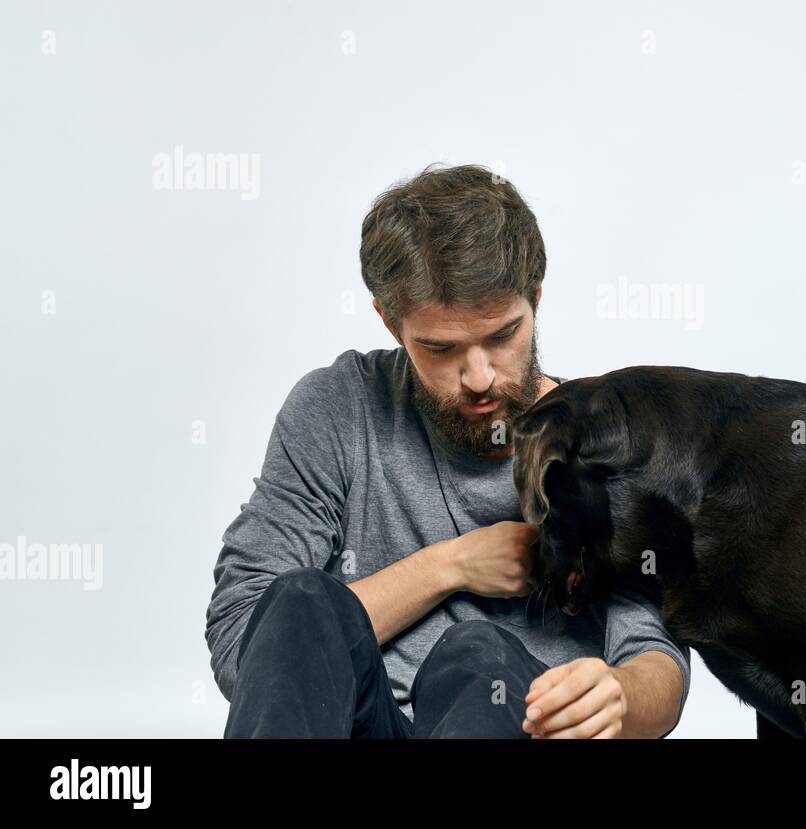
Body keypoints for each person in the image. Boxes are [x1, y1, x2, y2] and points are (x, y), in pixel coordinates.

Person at [204, 164, 690, 738]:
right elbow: (249, 646)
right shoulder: (339, 409)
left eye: (503, 336)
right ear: (390, 323)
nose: (479, 377)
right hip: (369, 724)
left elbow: (657, 661)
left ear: (535, 298)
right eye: (440, 348)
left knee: (477, 660)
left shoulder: (609, 444)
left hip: (521, 723)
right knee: (303, 598)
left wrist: (621, 697)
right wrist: (451, 566)